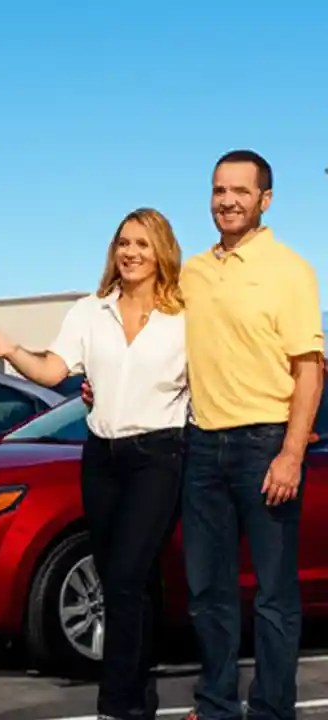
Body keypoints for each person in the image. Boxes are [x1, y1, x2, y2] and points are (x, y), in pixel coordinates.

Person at [0, 207, 189, 719]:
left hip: (159, 456)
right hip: (102, 458)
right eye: (123, 243)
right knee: (124, 582)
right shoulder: (90, 310)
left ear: (161, 251)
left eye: (142, 243)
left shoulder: (186, 316)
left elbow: (213, 381)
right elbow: (52, 371)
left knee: (125, 576)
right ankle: (135, 698)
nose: (131, 252)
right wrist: (10, 348)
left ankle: (116, 704)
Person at [173, 150, 323, 720]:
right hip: (204, 445)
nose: (227, 201)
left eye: (240, 190)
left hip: (265, 445)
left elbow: (309, 366)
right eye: (218, 190)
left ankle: (270, 710)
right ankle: (215, 705)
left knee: (275, 598)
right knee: (208, 594)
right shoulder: (192, 271)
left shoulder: (290, 269)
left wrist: (290, 452)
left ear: (265, 199)